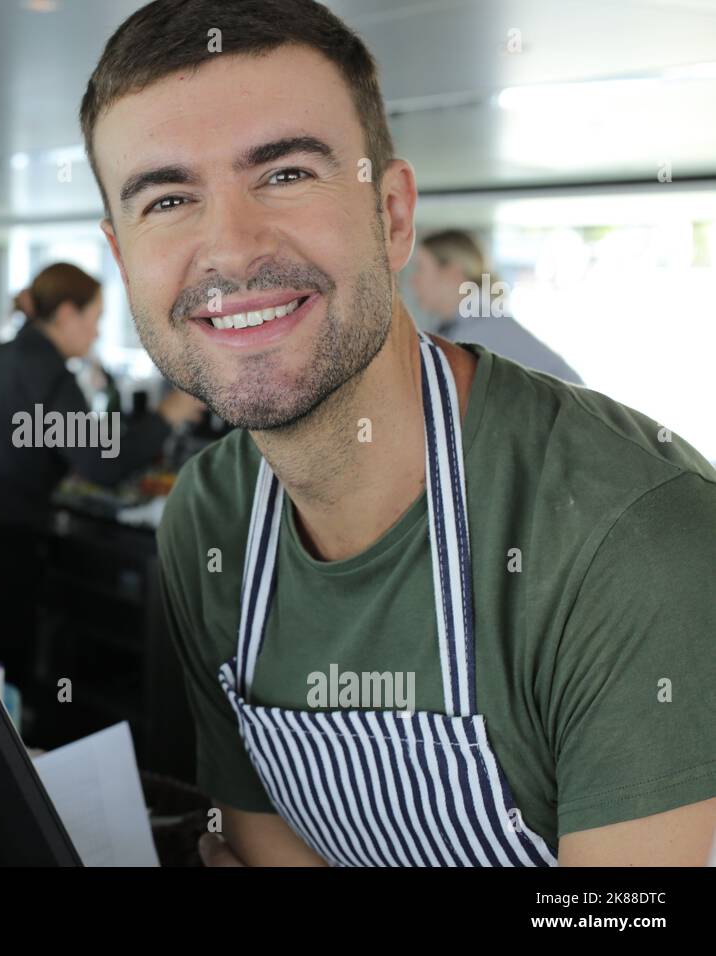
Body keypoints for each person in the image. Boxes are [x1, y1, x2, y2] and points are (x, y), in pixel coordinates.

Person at [79, 0, 716, 866]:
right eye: (170, 198)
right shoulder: (212, 517)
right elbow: (267, 848)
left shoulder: (633, 538)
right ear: (122, 261)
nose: (229, 248)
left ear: (392, 215)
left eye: (286, 174)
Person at [0, 262, 203, 693]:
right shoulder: (48, 376)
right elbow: (102, 464)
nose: (97, 333)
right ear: (67, 314)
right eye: (95, 318)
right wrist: (167, 415)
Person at [411, 229, 582, 383]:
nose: (414, 281)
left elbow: (574, 387)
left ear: (452, 273)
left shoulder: (485, 331)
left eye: (421, 269)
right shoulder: (461, 328)